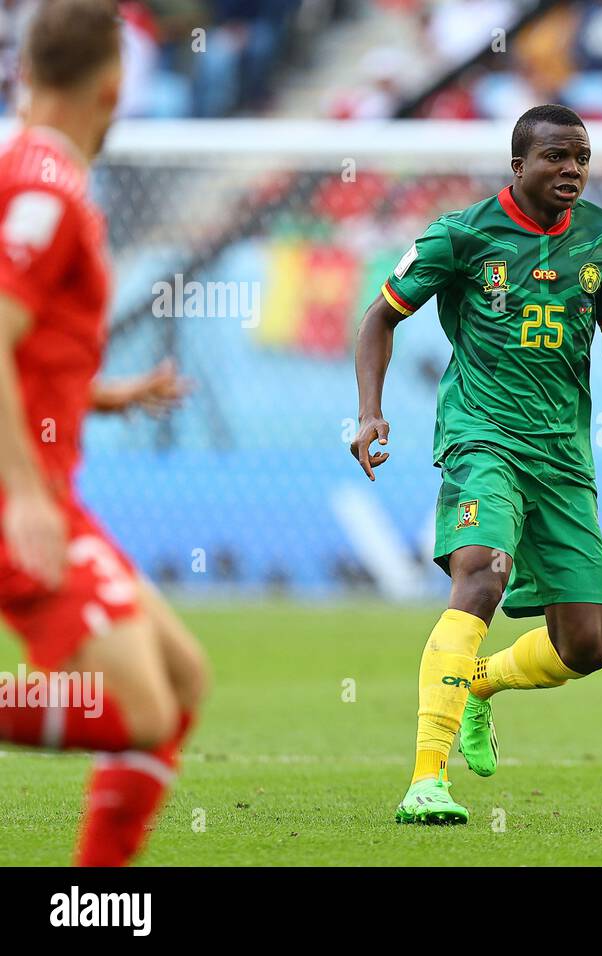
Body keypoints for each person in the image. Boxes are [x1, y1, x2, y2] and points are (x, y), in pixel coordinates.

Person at [351, 103, 602, 824]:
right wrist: (369, 412)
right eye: (556, 156)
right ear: (518, 166)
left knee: (588, 645)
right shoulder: (462, 236)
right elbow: (380, 318)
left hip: (563, 456)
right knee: (483, 570)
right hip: (482, 435)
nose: (572, 170)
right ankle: (427, 780)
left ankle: (478, 686)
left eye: (581, 156)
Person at [0, 0, 208, 866]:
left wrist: (103, 397)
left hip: (45, 485)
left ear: (24, 73)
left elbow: (29, 356)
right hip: (19, 493)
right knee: (138, 708)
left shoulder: (35, 175)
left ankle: (92, 902)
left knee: (181, 683)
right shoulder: (46, 185)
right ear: (116, 90)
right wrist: (21, 496)